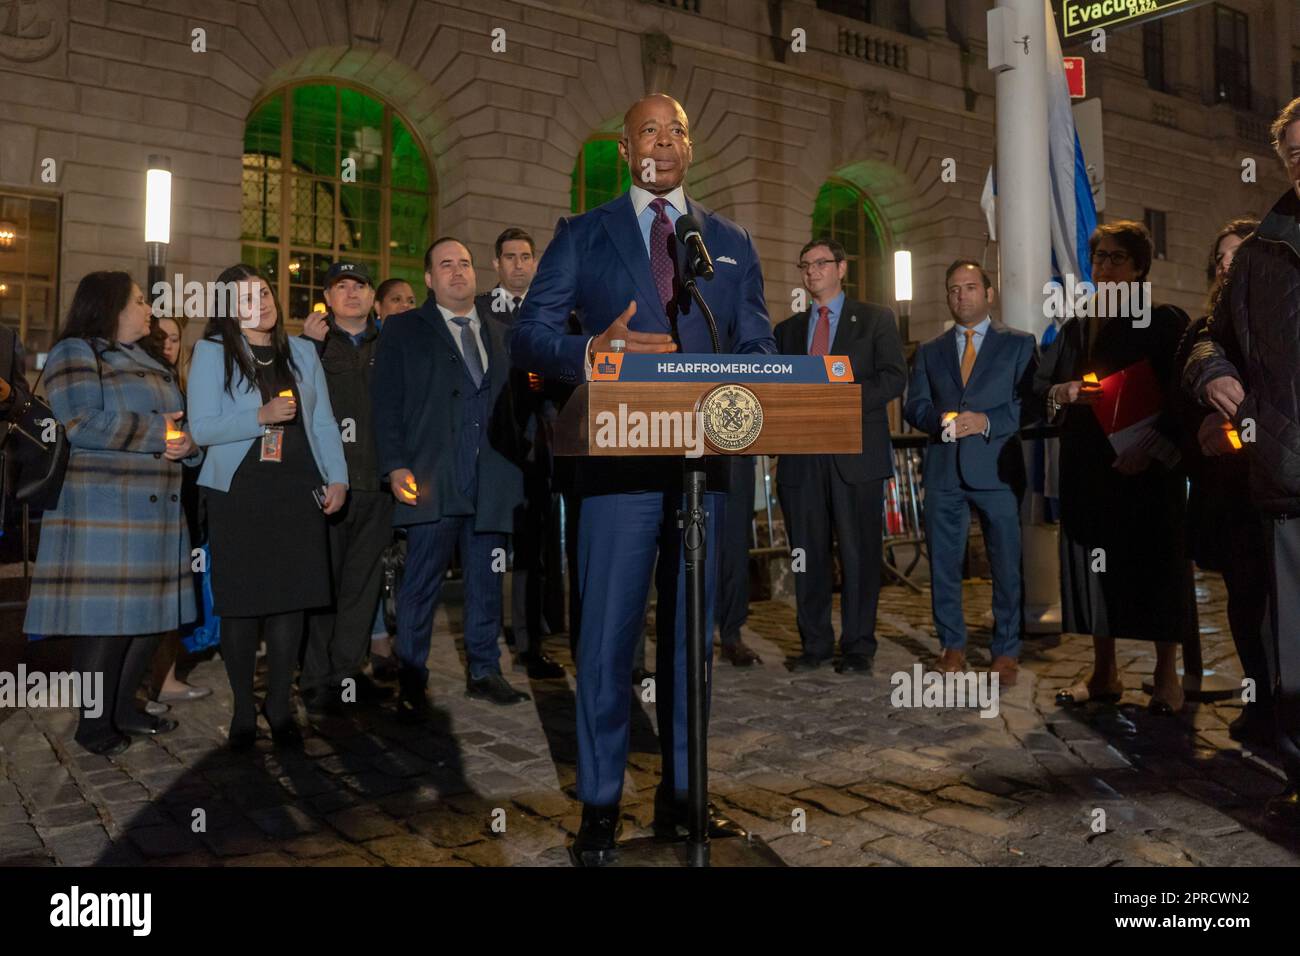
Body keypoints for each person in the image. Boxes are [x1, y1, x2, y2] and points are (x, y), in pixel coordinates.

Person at [511, 93, 776, 865]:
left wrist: (741, 377)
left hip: (706, 471)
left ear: (689, 149)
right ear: (626, 150)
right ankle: (599, 804)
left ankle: (685, 797)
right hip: (616, 467)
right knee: (606, 642)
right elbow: (530, 335)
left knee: (693, 641)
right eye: (648, 131)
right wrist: (597, 349)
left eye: (676, 130)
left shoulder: (728, 241)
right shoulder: (581, 234)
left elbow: (758, 344)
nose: (663, 141)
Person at [23, 271, 201, 755]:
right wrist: (156, 433)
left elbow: (178, 425)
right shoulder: (75, 351)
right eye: (140, 301)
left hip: (158, 516)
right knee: (106, 625)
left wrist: (187, 446)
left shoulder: (145, 357)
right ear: (110, 306)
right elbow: (79, 422)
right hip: (105, 515)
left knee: (147, 622)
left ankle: (125, 706)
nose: (148, 310)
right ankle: (94, 723)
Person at [1184, 95, 1300, 818]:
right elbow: (1206, 336)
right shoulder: (1259, 254)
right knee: (1292, 656)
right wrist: (1212, 374)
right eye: (1295, 152)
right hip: (1286, 480)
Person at [1034, 221, 1196, 716]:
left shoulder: (1165, 320)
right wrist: (1062, 393)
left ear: (1139, 266)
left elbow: (1182, 394)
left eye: (1115, 258)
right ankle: (1104, 671)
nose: (1104, 267)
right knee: (1094, 572)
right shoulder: (1078, 326)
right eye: (1099, 258)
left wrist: (1150, 447)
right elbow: (1042, 385)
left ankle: (1166, 675)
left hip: (1147, 471)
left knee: (1156, 568)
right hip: (1091, 469)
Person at [188, 264, 348, 751]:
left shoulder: (301, 350)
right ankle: (242, 707)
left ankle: (279, 704)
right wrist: (259, 415)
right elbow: (202, 428)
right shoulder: (214, 352)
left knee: (290, 603)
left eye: (263, 291)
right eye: (245, 297)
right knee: (240, 607)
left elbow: (323, 421)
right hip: (240, 493)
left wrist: (336, 475)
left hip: (296, 491)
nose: (260, 302)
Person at [372, 237, 530, 721]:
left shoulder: (502, 332)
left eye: (464, 263)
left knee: (487, 580)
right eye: (446, 265)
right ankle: (412, 678)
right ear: (428, 278)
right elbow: (386, 404)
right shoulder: (403, 330)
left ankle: (485, 671)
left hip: (490, 480)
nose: (458, 272)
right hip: (431, 477)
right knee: (420, 584)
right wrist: (395, 466)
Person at [903, 260, 1040, 686]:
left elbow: (1029, 404)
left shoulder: (1019, 344)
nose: (961, 295)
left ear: (988, 293)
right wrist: (940, 419)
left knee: (1005, 564)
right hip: (945, 472)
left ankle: (1005, 651)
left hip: (997, 471)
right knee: (944, 564)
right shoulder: (930, 350)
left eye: (969, 287)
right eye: (953, 289)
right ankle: (953, 646)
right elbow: (914, 406)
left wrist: (985, 421)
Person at [775, 237, 906, 675]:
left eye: (821, 263)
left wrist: (845, 401)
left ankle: (858, 647)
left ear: (841, 268)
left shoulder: (874, 319)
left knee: (859, 554)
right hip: (802, 457)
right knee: (806, 553)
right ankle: (814, 645)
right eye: (805, 265)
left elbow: (893, 377)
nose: (812, 272)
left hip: (856, 454)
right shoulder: (787, 331)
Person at [1175, 218, 1268, 743]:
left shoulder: (1272, 323)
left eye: (1238, 256)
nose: (1226, 266)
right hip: (1228, 496)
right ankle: (1260, 701)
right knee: (1244, 601)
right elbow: (1178, 410)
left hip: (1275, 489)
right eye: (1221, 259)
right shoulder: (1201, 332)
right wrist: (1202, 425)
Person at [299, 261, 395, 715]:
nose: (352, 293)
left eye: (360, 285)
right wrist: (308, 349)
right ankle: (314, 679)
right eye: (342, 286)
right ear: (328, 297)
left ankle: (345, 677)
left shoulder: (392, 343)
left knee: (362, 586)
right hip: (329, 486)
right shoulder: (311, 346)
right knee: (323, 585)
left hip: (377, 483)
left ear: (372, 296)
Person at [473, 228, 565, 680]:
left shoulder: (550, 312)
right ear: (496, 264)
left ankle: (530, 644)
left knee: (534, 550)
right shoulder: (478, 310)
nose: (518, 264)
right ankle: (484, 648)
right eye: (509, 257)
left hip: (538, 446)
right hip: (490, 446)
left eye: (526, 256)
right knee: (488, 549)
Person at [146, 313, 211, 710]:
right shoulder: (138, 384)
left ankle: (165, 678)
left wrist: (193, 447)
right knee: (144, 597)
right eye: (161, 337)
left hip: (182, 500)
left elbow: (199, 442)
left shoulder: (185, 387)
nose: (168, 345)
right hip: (144, 502)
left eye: (174, 338)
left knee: (173, 593)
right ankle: (134, 685)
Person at [367, 277, 420, 679]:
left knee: (406, 562)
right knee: (374, 561)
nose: (404, 305)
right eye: (396, 300)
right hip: (373, 469)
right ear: (379, 308)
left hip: (416, 470)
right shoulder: (370, 346)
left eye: (410, 299)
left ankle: (407, 638)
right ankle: (378, 639)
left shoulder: (425, 346)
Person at [716, 455, 762, 666]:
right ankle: (692, 637)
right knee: (690, 549)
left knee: (735, 550)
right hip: (689, 447)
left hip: (738, 453)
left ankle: (731, 636)